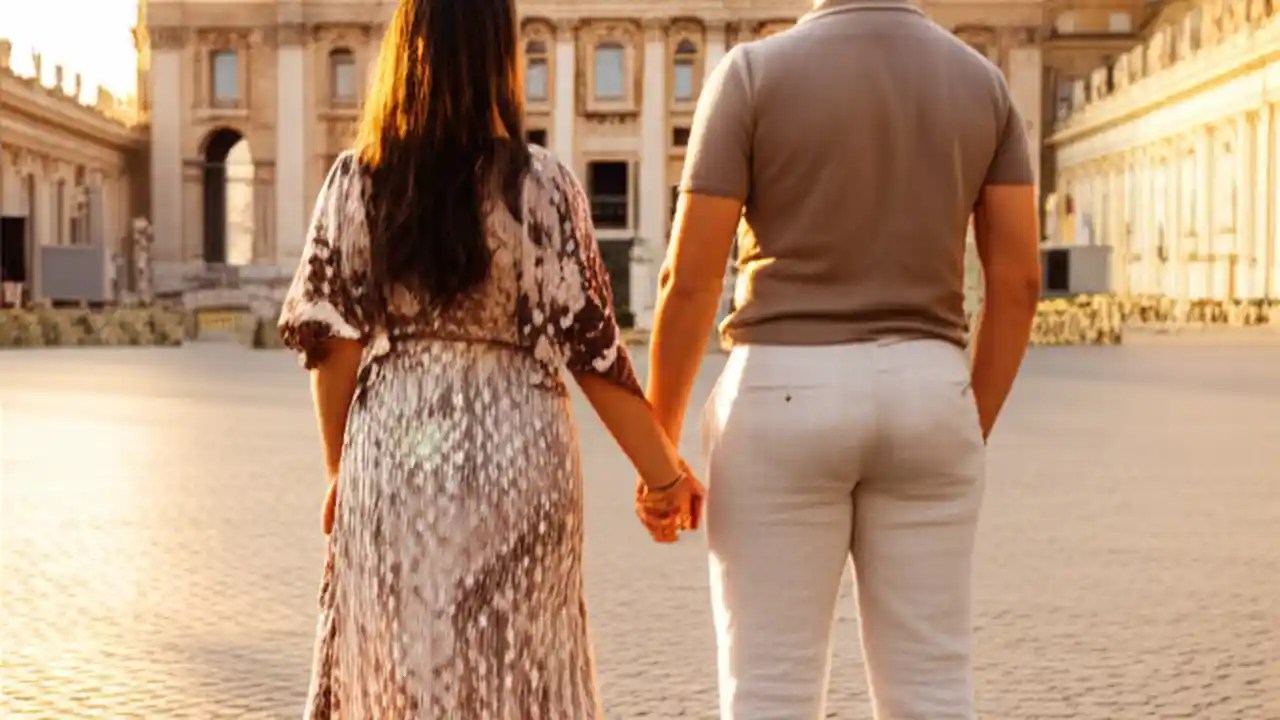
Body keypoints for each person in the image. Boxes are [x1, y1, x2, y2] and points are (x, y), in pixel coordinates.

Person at [277, 1, 703, 716]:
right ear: (499, 53)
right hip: (523, 452)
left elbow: (331, 343)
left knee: (397, 663)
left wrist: (337, 471)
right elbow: (594, 349)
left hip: (393, 451)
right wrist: (663, 474)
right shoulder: (543, 184)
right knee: (523, 667)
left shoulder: (358, 181)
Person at [644, 0, 1042, 717]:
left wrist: (662, 453)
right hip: (930, 378)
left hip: (781, 387)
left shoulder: (751, 74)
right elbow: (1017, 283)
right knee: (932, 685)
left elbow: (690, 279)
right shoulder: (982, 83)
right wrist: (962, 422)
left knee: (770, 686)